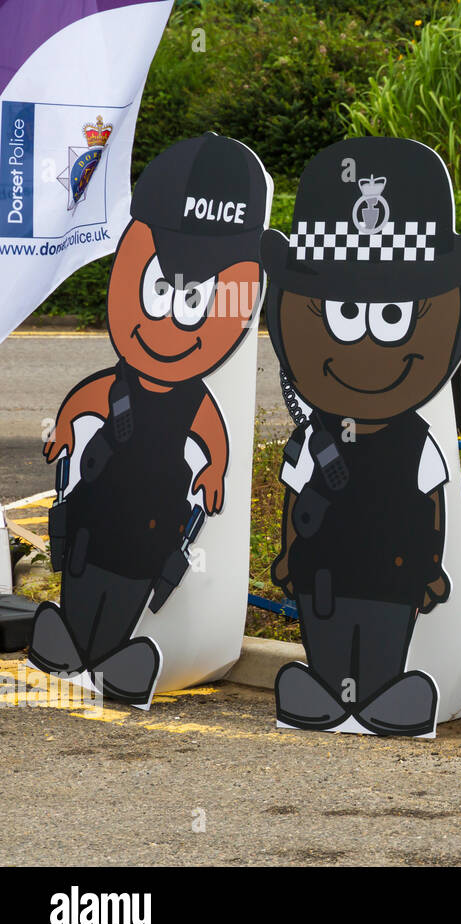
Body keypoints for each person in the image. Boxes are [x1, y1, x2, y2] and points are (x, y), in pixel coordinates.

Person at [30, 133, 268, 705]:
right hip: (96, 520)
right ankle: (73, 646)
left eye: (192, 301)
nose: (170, 324)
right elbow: (86, 399)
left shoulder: (194, 399)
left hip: (151, 532)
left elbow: (212, 433)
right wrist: (64, 428)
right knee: (86, 584)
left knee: (130, 590)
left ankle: (114, 659)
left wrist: (213, 471)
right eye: (159, 291)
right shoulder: (119, 383)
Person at [260, 138, 461, 736]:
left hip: (391, 580)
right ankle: (326, 692)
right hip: (325, 580)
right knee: (331, 638)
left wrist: (431, 568)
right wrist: (286, 554)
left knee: (384, 640)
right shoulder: (315, 437)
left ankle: (385, 694)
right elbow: (294, 498)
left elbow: (434, 506)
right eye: (341, 313)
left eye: (392, 316)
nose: (363, 347)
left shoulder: (418, 442)